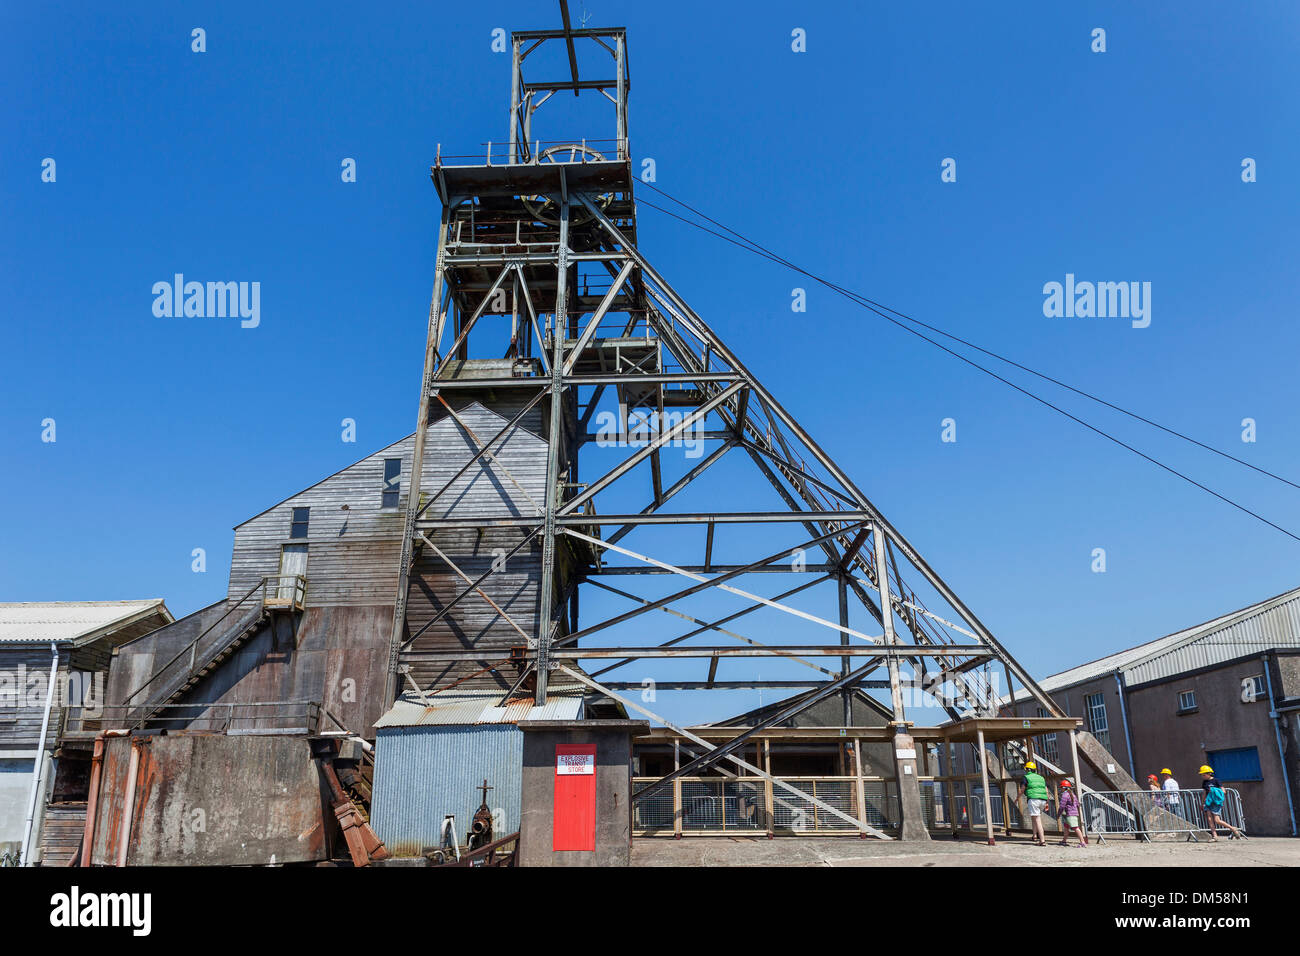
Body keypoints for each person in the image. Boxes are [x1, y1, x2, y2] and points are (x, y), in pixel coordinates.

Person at [1199, 765, 1244, 841]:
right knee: (1209, 819)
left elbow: (1223, 791)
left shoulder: (1216, 781)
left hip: (1216, 803)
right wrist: (1202, 803)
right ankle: (1215, 836)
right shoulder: (1204, 782)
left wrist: (1214, 790)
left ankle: (1233, 828)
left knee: (1217, 820)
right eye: (1202, 775)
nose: (1202, 776)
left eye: (1204, 775)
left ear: (1209, 773)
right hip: (1208, 802)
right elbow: (1204, 793)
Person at [1022, 761, 1051, 846]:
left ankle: (1042, 840)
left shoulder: (1026, 777)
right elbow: (1046, 790)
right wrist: (1047, 802)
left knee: (1037, 819)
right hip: (1043, 800)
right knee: (1034, 817)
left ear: (1027, 770)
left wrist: (1017, 798)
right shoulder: (1041, 778)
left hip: (1033, 799)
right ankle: (1034, 836)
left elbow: (1022, 789)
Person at [1055, 780, 1088, 847]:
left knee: (1076, 828)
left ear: (1064, 788)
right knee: (1066, 827)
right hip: (1073, 813)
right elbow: (1077, 804)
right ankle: (1064, 841)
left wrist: (1058, 814)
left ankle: (1082, 842)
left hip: (1070, 814)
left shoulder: (1065, 795)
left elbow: (1062, 806)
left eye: (1061, 787)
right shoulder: (1072, 794)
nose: (1061, 789)